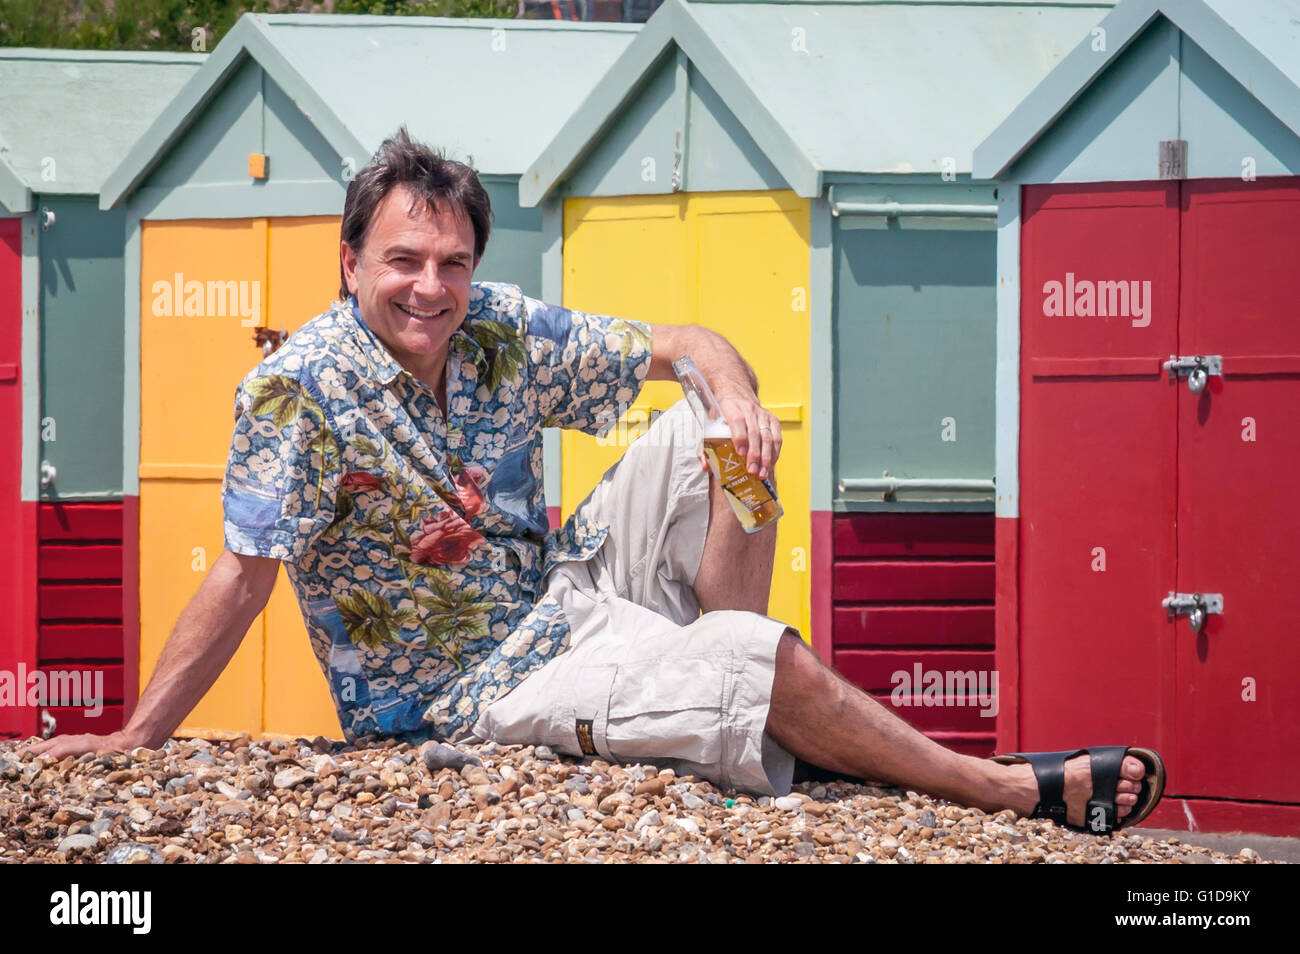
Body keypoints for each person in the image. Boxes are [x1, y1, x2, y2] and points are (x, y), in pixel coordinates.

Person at [17, 127, 1163, 835]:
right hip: (457, 689)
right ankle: (1003, 788)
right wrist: (137, 739)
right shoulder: (300, 391)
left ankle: (730, 671)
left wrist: (735, 397)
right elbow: (244, 571)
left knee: (718, 419)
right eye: (403, 262)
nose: (430, 287)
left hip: (560, 592)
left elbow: (683, 342)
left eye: (453, 263)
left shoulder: (497, 329)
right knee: (744, 657)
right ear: (350, 262)